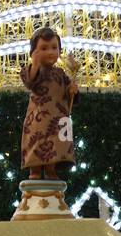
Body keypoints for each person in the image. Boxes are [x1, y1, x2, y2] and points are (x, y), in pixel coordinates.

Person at [20, 27, 78, 180]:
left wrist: (72, 90)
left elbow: (68, 94)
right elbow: (30, 81)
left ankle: (51, 170)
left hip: (58, 117)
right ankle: (35, 170)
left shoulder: (60, 73)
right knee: (37, 140)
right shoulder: (31, 70)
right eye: (44, 48)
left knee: (56, 143)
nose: (51, 52)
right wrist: (35, 64)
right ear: (34, 51)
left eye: (54, 47)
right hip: (39, 116)